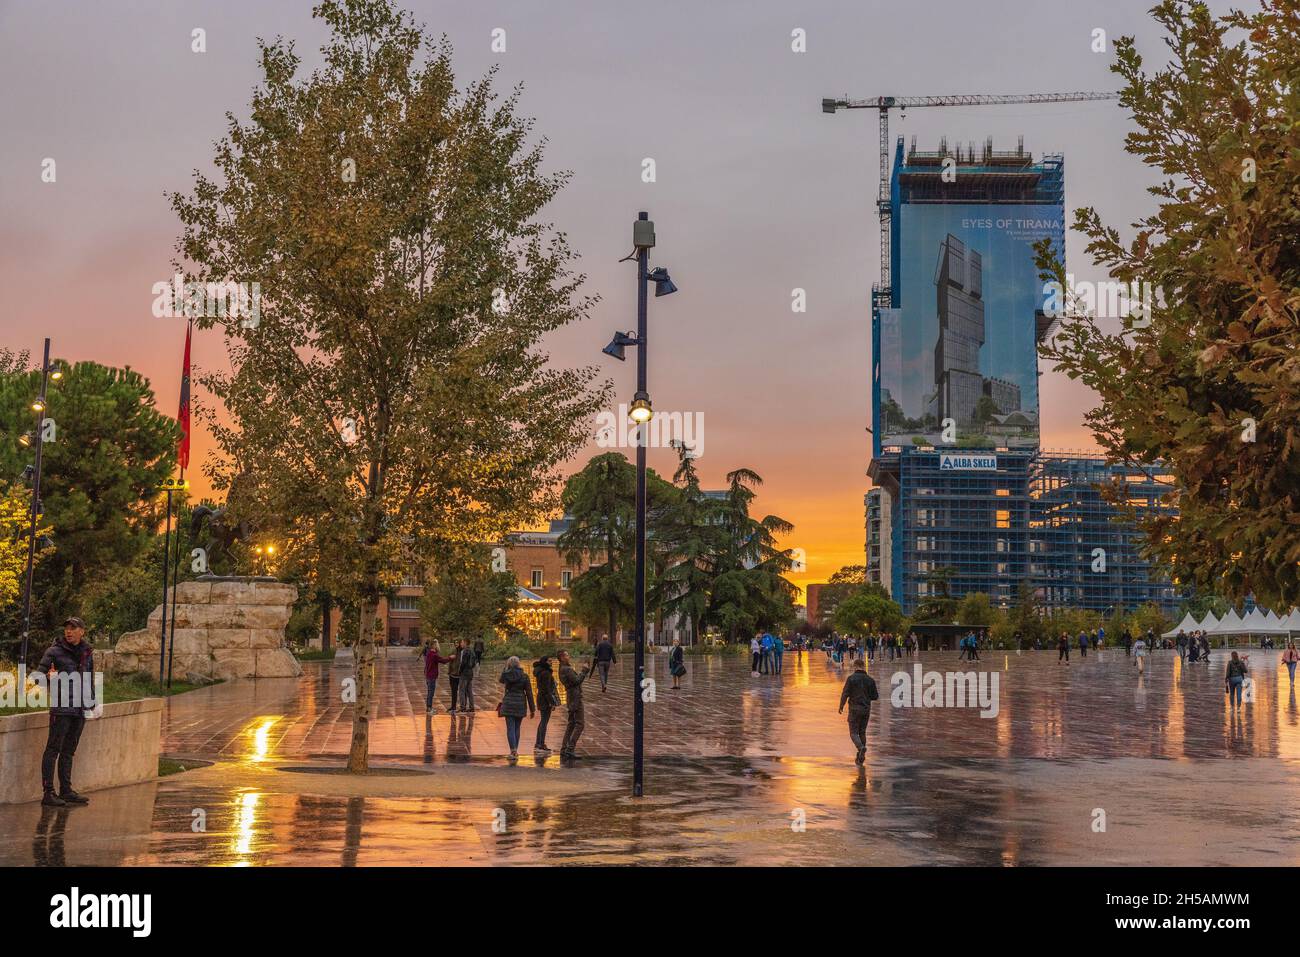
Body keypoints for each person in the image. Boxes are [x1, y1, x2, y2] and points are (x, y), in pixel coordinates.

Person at [36, 617, 95, 807]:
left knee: (69, 751)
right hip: (61, 709)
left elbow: (89, 678)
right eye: (67, 628)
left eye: (73, 628)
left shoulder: (87, 652)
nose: (69, 631)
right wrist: (48, 678)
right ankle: (48, 793)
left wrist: (91, 702)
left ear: (81, 631)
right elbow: (37, 677)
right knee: (53, 750)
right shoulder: (54, 651)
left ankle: (66, 790)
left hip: (79, 710)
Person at [838, 659, 880, 767]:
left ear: (856, 666)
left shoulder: (851, 679)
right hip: (866, 709)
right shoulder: (870, 680)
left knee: (853, 733)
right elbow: (875, 696)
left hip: (854, 709)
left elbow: (845, 693)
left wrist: (841, 706)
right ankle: (860, 757)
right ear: (863, 666)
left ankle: (861, 748)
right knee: (862, 732)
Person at [557, 648, 593, 760]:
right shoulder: (566, 669)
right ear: (562, 658)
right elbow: (577, 681)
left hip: (571, 697)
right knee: (580, 724)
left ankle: (564, 749)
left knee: (571, 724)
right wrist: (584, 670)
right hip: (575, 698)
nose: (569, 657)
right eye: (567, 655)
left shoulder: (562, 668)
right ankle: (570, 749)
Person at [498, 656, 535, 760]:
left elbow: (501, 680)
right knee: (517, 728)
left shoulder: (506, 675)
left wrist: (505, 669)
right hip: (520, 703)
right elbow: (529, 693)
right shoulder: (524, 676)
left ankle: (512, 750)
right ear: (519, 664)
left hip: (509, 702)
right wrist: (532, 709)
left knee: (510, 728)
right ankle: (515, 751)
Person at [532, 656, 558, 755]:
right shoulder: (546, 673)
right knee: (544, 722)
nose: (551, 662)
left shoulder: (540, 671)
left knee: (543, 721)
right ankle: (541, 744)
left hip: (541, 698)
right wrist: (552, 702)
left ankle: (538, 743)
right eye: (549, 661)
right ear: (545, 662)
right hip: (545, 700)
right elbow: (546, 690)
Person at [420, 640, 454, 714]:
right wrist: (450, 658)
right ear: (434, 646)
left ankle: (429, 707)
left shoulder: (429, 653)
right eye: (437, 645)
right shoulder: (434, 655)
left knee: (429, 692)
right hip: (431, 676)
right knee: (431, 693)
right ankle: (429, 709)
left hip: (428, 675)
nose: (438, 646)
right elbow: (443, 660)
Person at [457, 639, 478, 712]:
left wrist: (459, 671)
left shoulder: (465, 651)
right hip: (470, 673)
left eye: (462, 642)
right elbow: (474, 662)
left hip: (464, 673)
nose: (461, 644)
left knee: (462, 691)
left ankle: (462, 707)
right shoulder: (472, 651)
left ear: (465, 643)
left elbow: (463, 663)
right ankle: (472, 707)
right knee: (469, 691)